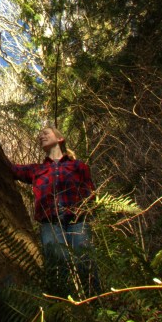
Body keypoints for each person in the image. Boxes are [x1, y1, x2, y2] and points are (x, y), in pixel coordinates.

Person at [10, 126, 99, 296]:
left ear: (60, 139)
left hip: (77, 221)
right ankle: (64, 309)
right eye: (39, 135)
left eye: (46, 133)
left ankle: (95, 307)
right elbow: (13, 169)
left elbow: (90, 192)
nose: (41, 136)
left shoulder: (78, 166)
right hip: (50, 223)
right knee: (57, 267)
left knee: (85, 264)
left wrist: (88, 211)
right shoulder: (36, 170)